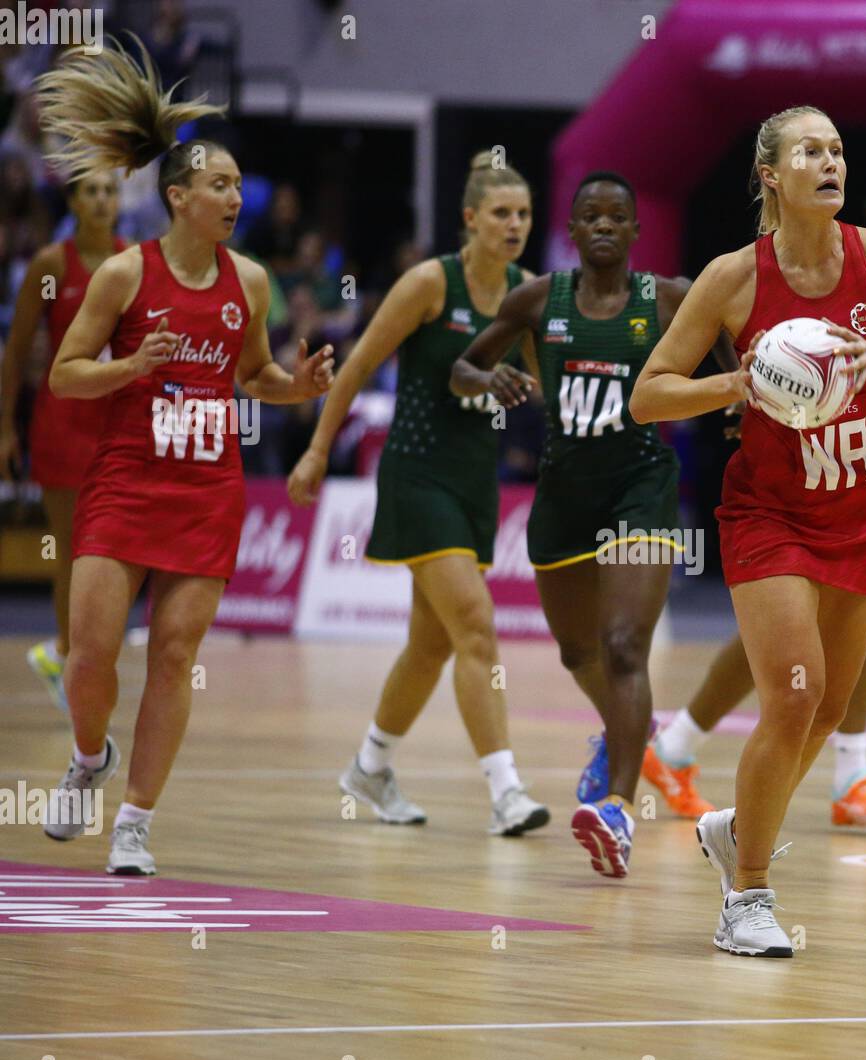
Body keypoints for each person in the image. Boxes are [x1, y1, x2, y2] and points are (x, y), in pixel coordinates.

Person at [630, 105, 866, 956]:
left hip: (856, 516)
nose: (829, 163)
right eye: (809, 151)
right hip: (767, 514)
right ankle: (746, 896)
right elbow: (650, 394)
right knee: (791, 695)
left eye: (836, 151)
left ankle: (732, 829)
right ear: (770, 174)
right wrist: (734, 388)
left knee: (823, 712)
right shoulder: (733, 277)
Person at [36, 38, 335, 874]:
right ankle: (88, 756)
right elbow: (64, 376)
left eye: (239, 185)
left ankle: (134, 821)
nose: (237, 196)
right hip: (125, 483)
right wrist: (133, 367)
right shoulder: (124, 278)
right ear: (178, 197)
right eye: (220, 184)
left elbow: (256, 377)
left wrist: (297, 385)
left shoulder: (250, 283)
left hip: (207, 491)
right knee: (91, 652)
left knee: (173, 654)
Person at [451, 171, 737, 878]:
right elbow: (461, 367)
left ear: (636, 232)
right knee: (579, 655)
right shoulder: (536, 299)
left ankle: (616, 807)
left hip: (640, 489)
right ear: (572, 231)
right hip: (563, 496)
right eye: (590, 216)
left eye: (618, 216)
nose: (604, 225)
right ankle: (619, 737)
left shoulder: (666, 297)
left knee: (621, 648)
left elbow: (731, 344)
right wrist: (488, 383)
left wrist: (737, 401)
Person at [287, 153, 548, 837]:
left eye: (522, 213)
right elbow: (358, 367)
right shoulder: (431, 283)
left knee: (431, 646)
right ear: (470, 219)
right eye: (501, 213)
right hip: (416, 474)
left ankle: (370, 766)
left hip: (474, 482)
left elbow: (549, 378)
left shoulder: (526, 290)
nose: (514, 224)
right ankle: (507, 792)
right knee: (477, 627)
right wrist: (317, 450)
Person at [0, 169, 125, 710]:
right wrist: (5, 426)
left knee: (115, 555)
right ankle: (71, 662)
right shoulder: (52, 266)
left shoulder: (136, 261)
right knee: (73, 556)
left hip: (118, 426)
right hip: (62, 424)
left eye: (110, 190)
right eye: (90, 191)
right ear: (73, 201)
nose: (101, 200)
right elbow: (17, 351)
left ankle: (69, 655)